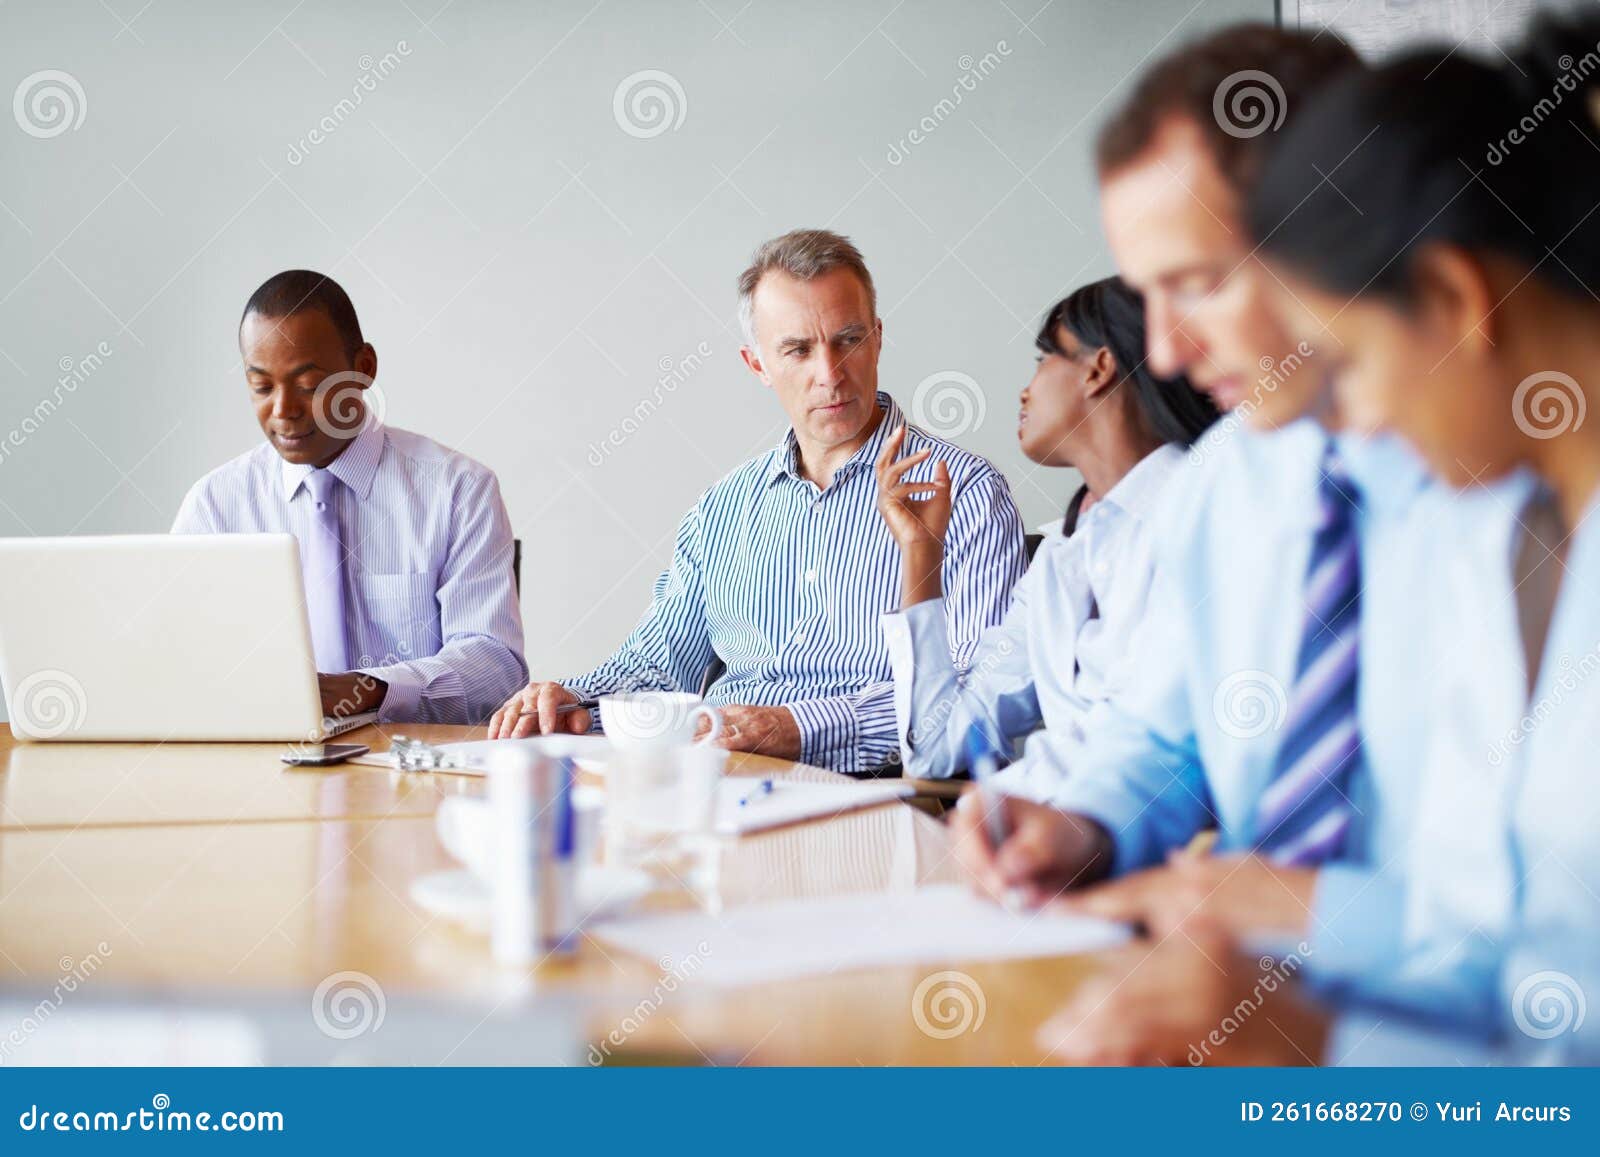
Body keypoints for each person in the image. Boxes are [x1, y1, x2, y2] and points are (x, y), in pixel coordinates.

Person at [1037, 12, 1600, 1066]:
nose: (1360, 420)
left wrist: (1316, 1034)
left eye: (1347, 355)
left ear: (1450, 298)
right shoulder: (1521, 518)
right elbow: (1509, 952)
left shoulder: (1503, 519)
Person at [949, 24, 1448, 973]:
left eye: (1197, 284)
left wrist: (1310, 918)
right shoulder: (1229, 481)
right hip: (1236, 991)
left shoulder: (1508, 490)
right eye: (1149, 296)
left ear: (1342, 231)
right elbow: (1167, 731)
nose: (1166, 352)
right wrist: (1084, 825)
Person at [486, 229, 1027, 773]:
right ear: (757, 364)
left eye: (848, 340)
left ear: (878, 339)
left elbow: (972, 696)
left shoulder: (966, 492)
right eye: (798, 349)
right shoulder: (722, 508)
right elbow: (657, 668)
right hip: (718, 780)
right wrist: (573, 701)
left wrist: (796, 728)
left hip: (876, 788)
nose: (830, 374)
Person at [875, 276, 1216, 791]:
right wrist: (922, 553)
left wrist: (1013, 801)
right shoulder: (1062, 551)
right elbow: (937, 747)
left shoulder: (1202, 519)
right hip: (1064, 824)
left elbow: (1140, 751)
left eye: (1044, 358)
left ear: (1098, 368)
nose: (1025, 389)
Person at [173, 270, 527, 725]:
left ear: (363, 368)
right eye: (261, 386)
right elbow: (177, 656)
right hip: (264, 761)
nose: (283, 410)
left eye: (308, 385)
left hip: (409, 763)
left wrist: (368, 689)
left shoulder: (458, 490)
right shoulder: (214, 506)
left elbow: (496, 667)